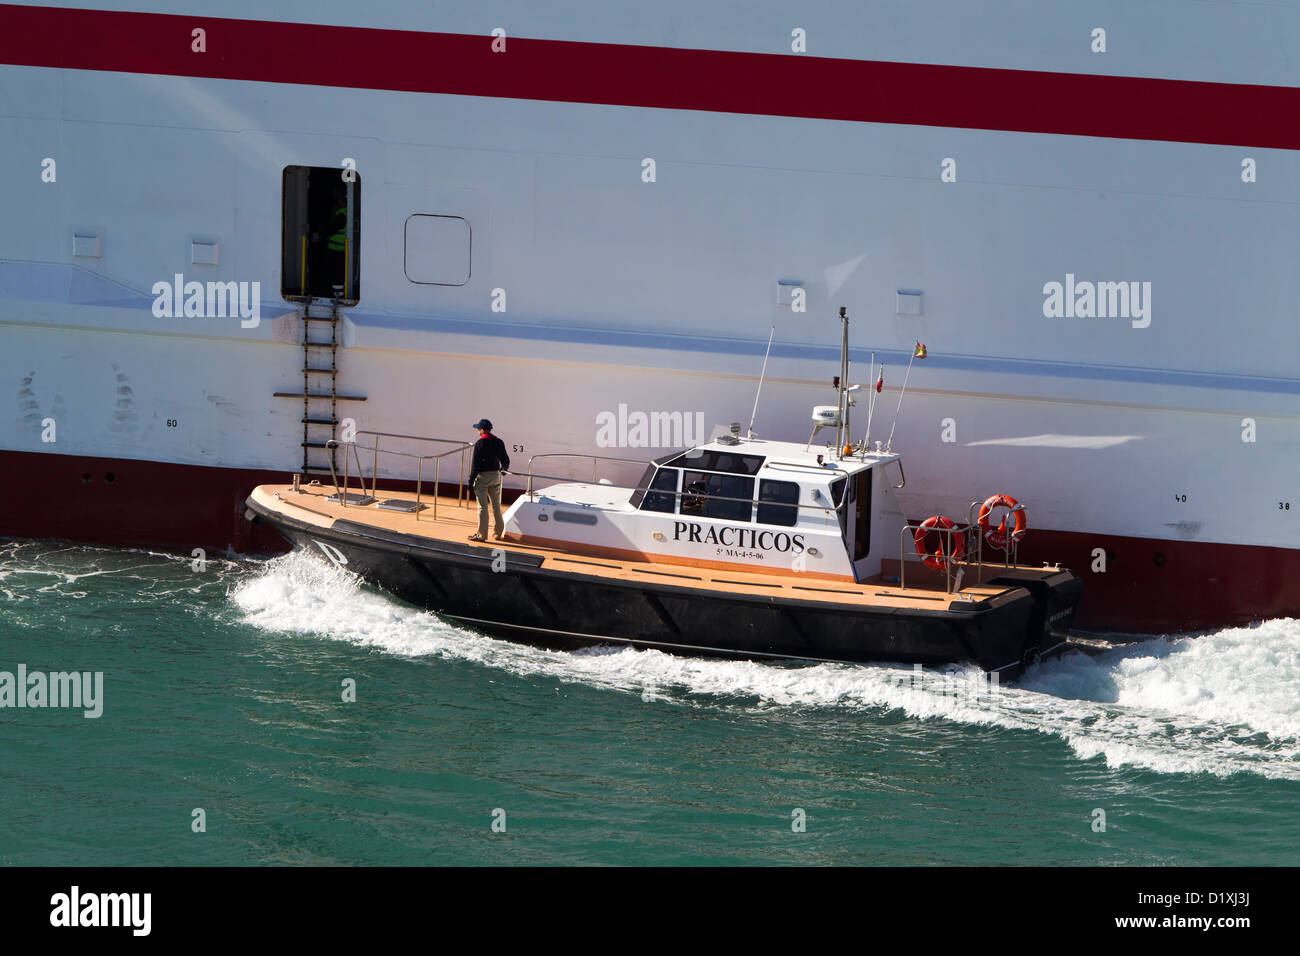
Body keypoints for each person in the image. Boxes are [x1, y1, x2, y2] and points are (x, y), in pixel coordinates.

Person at [466, 418, 510, 541]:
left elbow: (475, 466)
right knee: (496, 506)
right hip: (496, 476)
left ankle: (481, 535)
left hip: (482, 477)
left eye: (478, 429)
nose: (478, 431)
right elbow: (505, 460)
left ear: (482, 430)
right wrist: (504, 470)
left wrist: (470, 482)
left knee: (482, 507)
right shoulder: (499, 442)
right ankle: (497, 533)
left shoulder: (480, 443)